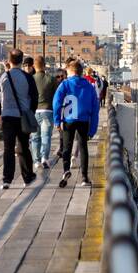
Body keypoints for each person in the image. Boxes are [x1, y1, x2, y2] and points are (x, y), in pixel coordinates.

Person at [0, 49, 39, 190]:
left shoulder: (2, 76)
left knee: (8, 148)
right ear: (21, 60)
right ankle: (27, 176)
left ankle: (7, 179)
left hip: (7, 116)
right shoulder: (27, 77)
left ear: (9, 60)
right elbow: (34, 97)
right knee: (23, 146)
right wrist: (30, 111)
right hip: (22, 115)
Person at [53, 60, 99, 188]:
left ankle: (66, 170)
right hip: (84, 120)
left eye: (67, 71)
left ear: (71, 71)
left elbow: (56, 103)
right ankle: (84, 177)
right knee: (83, 147)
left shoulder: (65, 84)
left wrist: (57, 120)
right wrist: (93, 129)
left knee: (67, 147)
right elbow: (95, 109)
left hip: (69, 119)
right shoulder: (89, 86)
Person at [30, 56, 58, 172]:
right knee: (46, 137)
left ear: (33, 66)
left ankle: (36, 161)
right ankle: (44, 158)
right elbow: (56, 97)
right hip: (47, 110)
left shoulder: (30, 79)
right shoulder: (51, 79)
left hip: (34, 111)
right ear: (44, 65)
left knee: (35, 138)